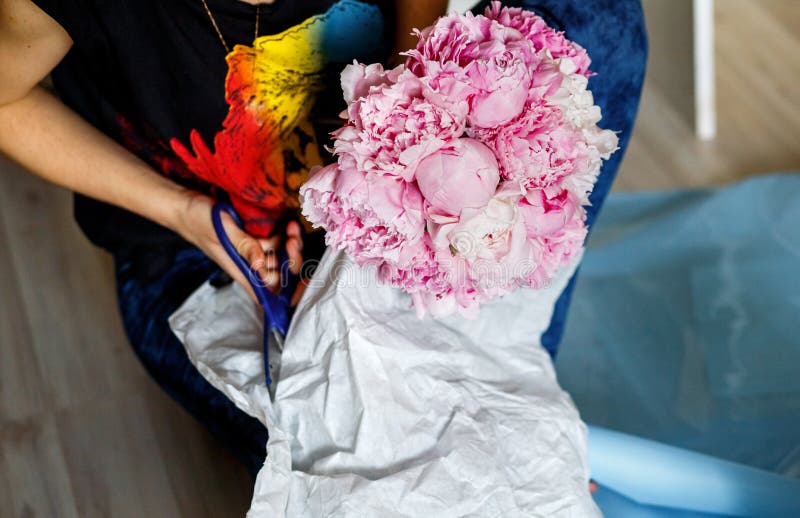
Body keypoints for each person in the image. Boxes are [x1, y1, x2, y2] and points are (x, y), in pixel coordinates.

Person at [0, 0, 646, 480]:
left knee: (593, 17)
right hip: (212, 248)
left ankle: (503, 386)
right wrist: (184, 213)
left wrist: (401, 130)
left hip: (392, 204)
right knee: (409, 472)